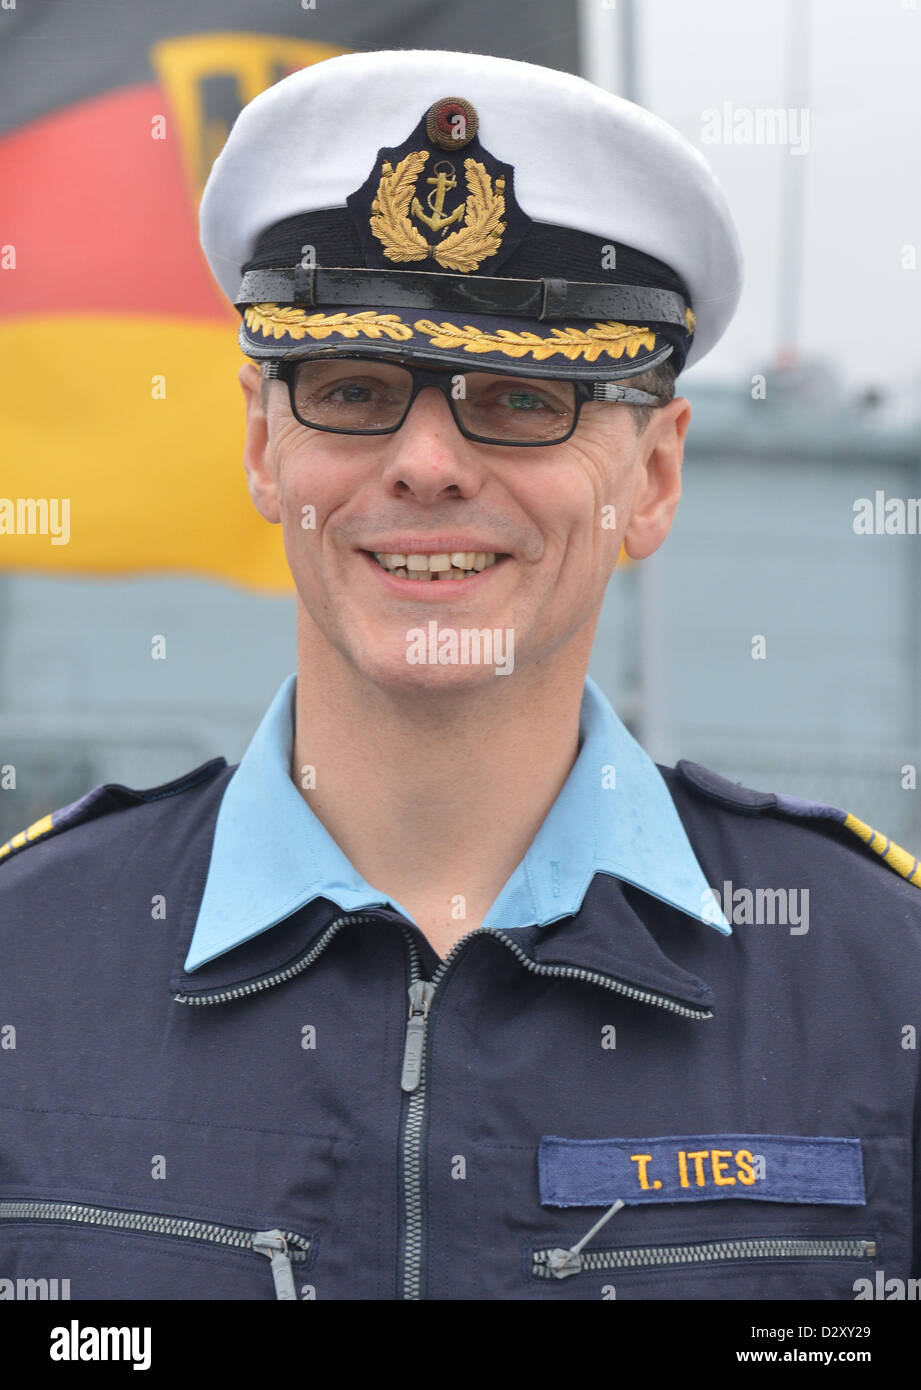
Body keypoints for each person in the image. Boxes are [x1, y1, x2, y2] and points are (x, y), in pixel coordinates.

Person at [1, 47, 918, 1303]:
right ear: (266, 447)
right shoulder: (27, 964)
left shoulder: (878, 985)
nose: (426, 462)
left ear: (651, 476)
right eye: (355, 389)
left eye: (522, 397)